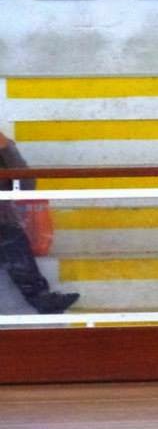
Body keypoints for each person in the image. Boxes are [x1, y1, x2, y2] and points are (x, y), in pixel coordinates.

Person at [0, 131, 79, 314]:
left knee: (10, 237)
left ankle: (42, 299)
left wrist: (5, 148)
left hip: (3, 225)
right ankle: (41, 298)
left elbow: (28, 185)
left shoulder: (4, 150)